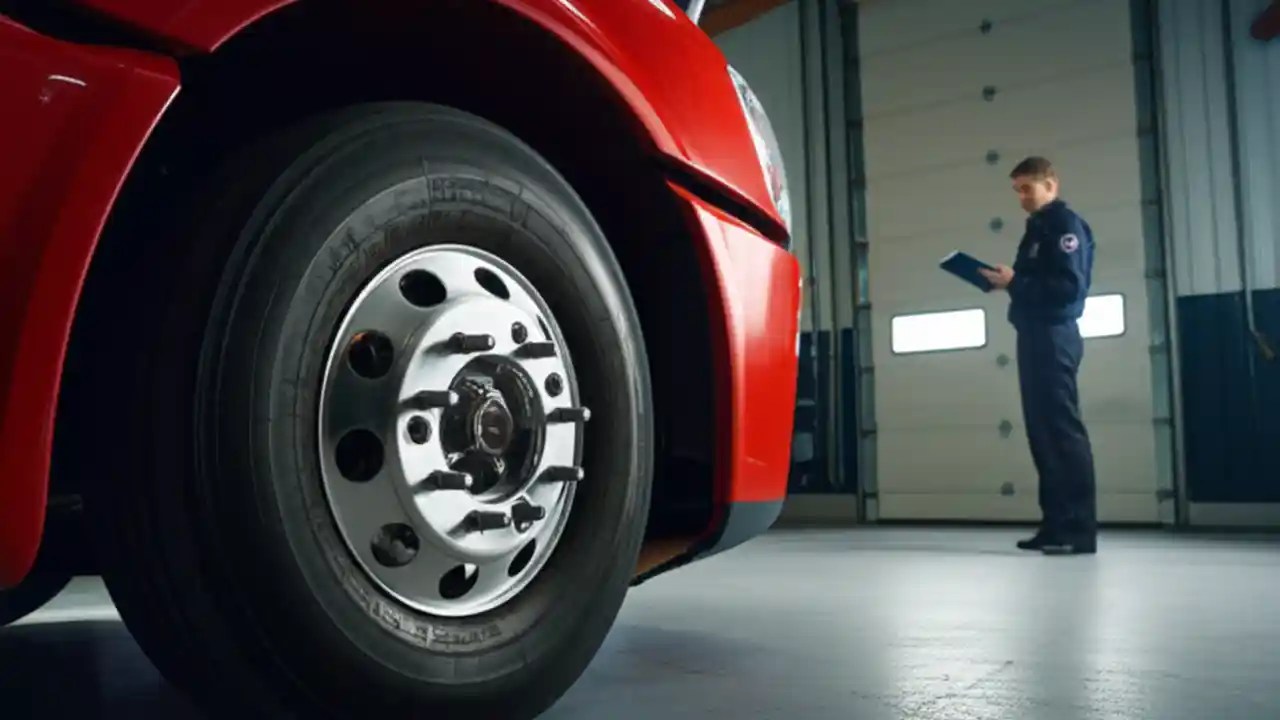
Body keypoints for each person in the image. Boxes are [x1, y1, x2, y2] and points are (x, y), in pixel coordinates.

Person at [979, 156, 1098, 555]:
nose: (1022, 198)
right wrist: (1009, 283)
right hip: (1034, 335)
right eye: (1017, 191)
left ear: (1051, 184)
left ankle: (1079, 530)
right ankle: (1055, 524)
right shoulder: (1039, 229)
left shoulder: (1064, 227)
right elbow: (1035, 282)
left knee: (1062, 432)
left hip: (1054, 335)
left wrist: (1017, 281)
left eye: (1027, 188)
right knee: (1043, 434)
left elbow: (1068, 288)